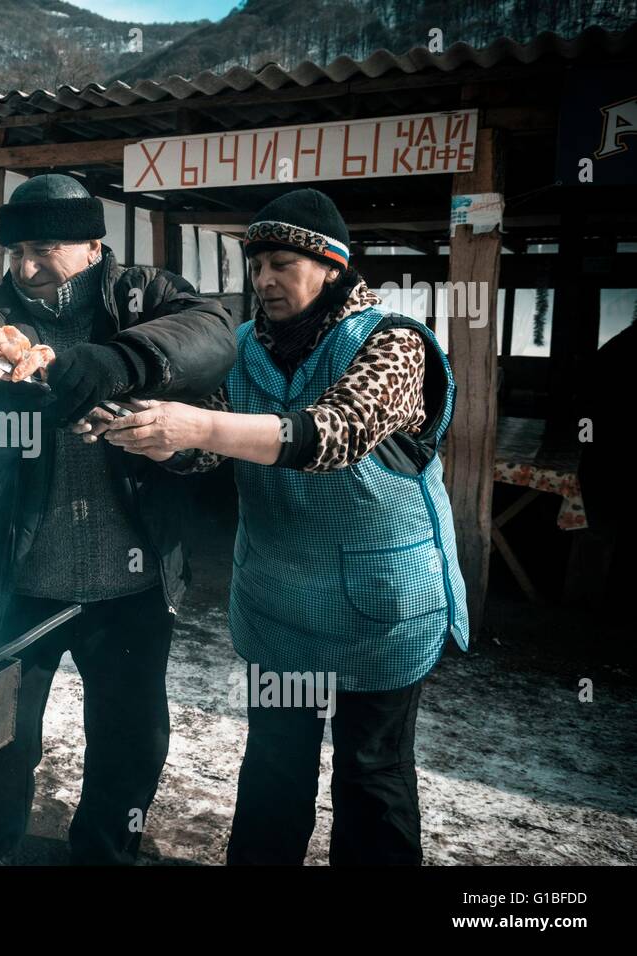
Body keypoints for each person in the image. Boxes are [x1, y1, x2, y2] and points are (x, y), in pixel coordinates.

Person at [79, 187, 469, 865]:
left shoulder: (394, 343)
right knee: (273, 772)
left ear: (332, 267)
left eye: (282, 263)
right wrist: (145, 429)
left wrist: (196, 424)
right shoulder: (241, 349)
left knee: (370, 781)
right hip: (280, 607)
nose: (263, 280)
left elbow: (335, 434)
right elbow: (204, 447)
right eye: (256, 265)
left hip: (378, 611)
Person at [0, 174, 235, 864]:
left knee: (129, 743)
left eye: (44, 248)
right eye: (16, 252)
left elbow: (213, 335)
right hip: (21, 575)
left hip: (132, 584)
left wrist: (120, 361)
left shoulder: (145, 296)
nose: (25, 267)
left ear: (94, 241)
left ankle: (105, 855)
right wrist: (29, 408)